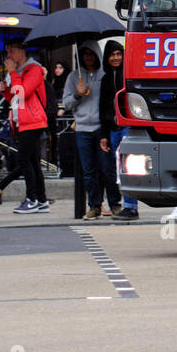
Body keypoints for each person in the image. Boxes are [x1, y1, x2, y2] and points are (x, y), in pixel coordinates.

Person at [63, 42, 121, 220]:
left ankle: (114, 203)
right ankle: (94, 205)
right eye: (84, 54)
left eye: (91, 53)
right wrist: (77, 94)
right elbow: (66, 104)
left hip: (101, 127)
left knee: (107, 168)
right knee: (88, 171)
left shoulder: (104, 75)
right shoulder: (74, 77)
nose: (88, 57)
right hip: (82, 129)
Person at [0, 42, 50, 212]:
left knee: (23, 160)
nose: (8, 55)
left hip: (33, 121)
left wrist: (12, 72)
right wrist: (5, 90)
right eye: (7, 51)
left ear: (21, 51)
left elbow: (23, 92)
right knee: (32, 161)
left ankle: (31, 199)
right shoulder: (19, 73)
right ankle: (41, 200)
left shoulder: (33, 69)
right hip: (24, 121)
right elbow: (14, 97)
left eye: (11, 51)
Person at [100, 41, 138, 221]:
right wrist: (104, 135)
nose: (115, 58)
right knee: (118, 168)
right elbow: (103, 108)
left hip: (127, 126)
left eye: (118, 54)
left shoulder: (127, 75)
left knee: (127, 166)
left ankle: (131, 206)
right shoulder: (106, 79)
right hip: (114, 128)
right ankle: (127, 205)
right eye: (112, 55)